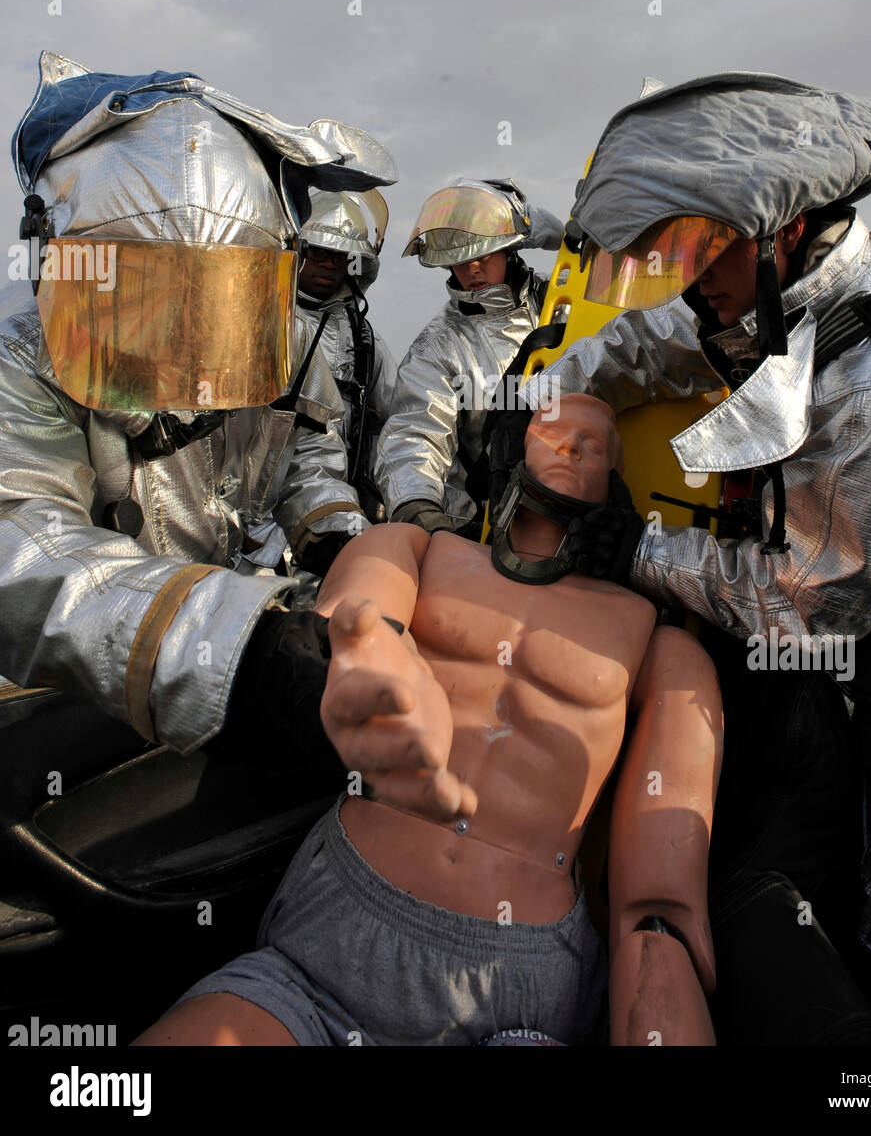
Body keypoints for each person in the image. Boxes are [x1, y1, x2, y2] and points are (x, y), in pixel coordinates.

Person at [510, 73, 871, 1036]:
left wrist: (625, 548)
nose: (690, 284)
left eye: (702, 255)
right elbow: (652, 343)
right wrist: (547, 398)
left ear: (782, 232)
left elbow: (804, 608)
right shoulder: (782, 292)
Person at [133, 394, 723, 1047]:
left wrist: (659, 972)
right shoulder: (416, 550)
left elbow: (659, 896)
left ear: (615, 477)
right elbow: (347, 639)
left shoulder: (656, 642)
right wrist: (369, 662)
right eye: (551, 431)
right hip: (324, 951)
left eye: (594, 441)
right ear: (508, 449)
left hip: (514, 998)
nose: (572, 446)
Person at [0, 51, 396, 788]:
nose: (183, 314)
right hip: (66, 694)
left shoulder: (267, 337)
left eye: (210, 283)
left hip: (211, 651)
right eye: (142, 279)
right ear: (62, 261)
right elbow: (21, 546)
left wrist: (332, 532)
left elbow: (307, 452)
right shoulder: (21, 358)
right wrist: (244, 651)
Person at [374, 177, 563, 537]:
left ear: (510, 249)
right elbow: (415, 434)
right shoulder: (436, 346)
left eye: (484, 254)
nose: (472, 268)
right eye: (460, 259)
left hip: (579, 513)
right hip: (485, 531)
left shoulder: (563, 305)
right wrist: (417, 507)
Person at [296, 188, 398, 520]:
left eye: (340, 255)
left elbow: (397, 421)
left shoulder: (363, 339)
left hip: (340, 511)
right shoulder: (259, 322)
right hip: (258, 511)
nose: (328, 263)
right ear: (297, 251)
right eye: (318, 253)